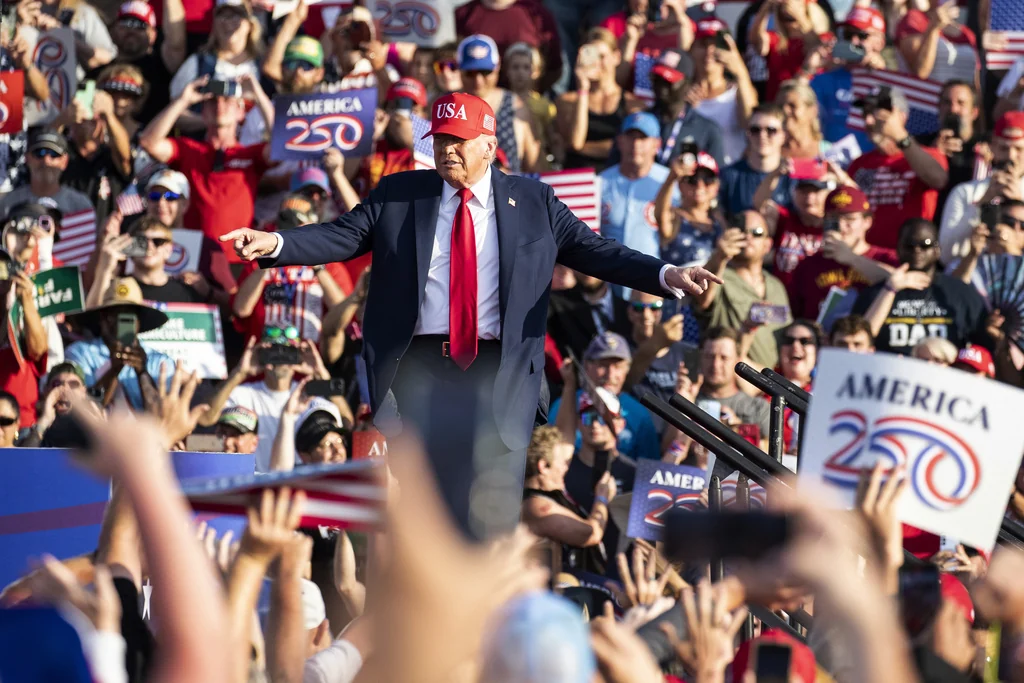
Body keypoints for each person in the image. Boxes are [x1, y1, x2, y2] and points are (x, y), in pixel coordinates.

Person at [219, 91, 720, 538]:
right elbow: (342, 235)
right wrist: (276, 243)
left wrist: (665, 274)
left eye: (458, 139)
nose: (446, 150)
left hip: (498, 371)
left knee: (493, 512)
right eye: (439, 139)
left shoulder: (533, 200)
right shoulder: (401, 194)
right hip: (418, 370)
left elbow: (597, 251)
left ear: (488, 144)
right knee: (425, 512)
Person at [140, 75, 274, 262]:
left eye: (227, 100)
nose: (219, 105)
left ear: (241, 112)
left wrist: (258, 95)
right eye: (212, 101)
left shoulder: (250, 154)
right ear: (202, 113)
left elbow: (281, 147)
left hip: (240, 256)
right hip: (192, 256)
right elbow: (148, 142)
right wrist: (183, 100)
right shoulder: (188, 149)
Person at [198, 332, 343, 471]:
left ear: (299, 356)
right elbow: (205, 418)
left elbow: (348, 425)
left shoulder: (311, 398)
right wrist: (239, 373)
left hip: (297, 485)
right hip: (252, 483)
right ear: (261, 354)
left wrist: (321, 374)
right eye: (273, 351)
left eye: (288, 351)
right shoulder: (241, 394)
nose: (280, 357)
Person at [854, 219, 988, 355]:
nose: (917, 250)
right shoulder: (875, 294)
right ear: (898, 249)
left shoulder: (960, 292)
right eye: (909, 245)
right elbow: (857, 343)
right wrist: (890, 289)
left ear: (937, 250)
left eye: (925, 245)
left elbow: (982, 344)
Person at [847, 86, 949, 249]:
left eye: (877, 114)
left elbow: (938, 179)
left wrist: (901, 136)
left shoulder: (929, 155)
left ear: (900, 117)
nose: (868, 121)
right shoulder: (858, 164)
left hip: (910, 257)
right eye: (865, 113)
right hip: (866, 260)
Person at [693, 210, 790, 370]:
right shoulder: (718, 275)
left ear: (768, 244)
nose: (747, 237)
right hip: (730, 381)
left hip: (773, 385)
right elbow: (703, 299)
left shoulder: (776, 285)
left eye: (756, 232)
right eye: (741, 232)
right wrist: (720, 256)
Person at [786, 186, 896, 319]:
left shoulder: (886, 258)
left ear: (867, 222)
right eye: (833, 219)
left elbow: (902, 283)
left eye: (849, 219)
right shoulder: (808, 266)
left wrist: (851, 258)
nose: (841, 226)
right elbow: (795, 315)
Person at [64, 277, 173, 410]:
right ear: (101, 318)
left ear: (139, 321)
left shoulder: (160, 362)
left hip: (144, 431)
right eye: (113, 315)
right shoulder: (79, 353)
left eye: (128, 317)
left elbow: (162, 416)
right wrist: (113, 369)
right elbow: (84, 410)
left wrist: (142, 372)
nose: (118, 323)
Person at [550, 331, 660, 461]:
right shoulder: (564, 405)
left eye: (618, 366)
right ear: (586, 366)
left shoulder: (639, 413)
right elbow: (551, 456)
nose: (610, 375)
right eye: (603, 365)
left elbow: (648, 469)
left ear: (627, 369)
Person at [520, 425, 613, 574]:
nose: (566, 468)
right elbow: (591, 534)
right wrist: (602, 497)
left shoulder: (551, 494)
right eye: (563, 462)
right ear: (543, 466)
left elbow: (567, 425)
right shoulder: (537, 506)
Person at [142, 168, 236, 307]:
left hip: (190, 325)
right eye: (155, 196)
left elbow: (233, 304)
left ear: (185, 204)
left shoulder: (207, 247)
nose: (161, 203)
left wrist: (207, 290)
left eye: (170, 197)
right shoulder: (135, 242)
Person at [939, 111, 1024, 265]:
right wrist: (980, 205)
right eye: (1004, 148)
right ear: (993, 147)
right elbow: (946, 255)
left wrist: (1018, 205)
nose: (1011, 156)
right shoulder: (965, 192)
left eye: (1019, 149)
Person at [557, 28, 642, 171]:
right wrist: (583, 88)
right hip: (577, 178)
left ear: (616, 57)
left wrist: (583, 148)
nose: (596, 63)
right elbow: (575, 141)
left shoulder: (632, 104)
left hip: (614, 178)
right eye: (592, 57)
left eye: (602, 56)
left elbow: (629, 148)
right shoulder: (567, 101)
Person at [168, 0, 262, 122]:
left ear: (250, 24)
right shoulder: (199, 63)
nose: (228, 22)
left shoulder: (264, 65)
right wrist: (214, 121)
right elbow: (174, 113)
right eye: (222, 16)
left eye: (236, 15)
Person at [809, 7, 888, 152]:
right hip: (832, 163)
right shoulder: (823, 80)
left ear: (880, 43)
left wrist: (882, 74)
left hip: (872, 167)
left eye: (862, 35)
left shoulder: (892, 83)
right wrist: (808, 69)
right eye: (848, 34)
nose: (853, 41)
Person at [457, 34, 539, 173]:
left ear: (497, 67)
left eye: (485, 72)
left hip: (508, 191)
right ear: (459, 70)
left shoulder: (516, 106)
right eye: (470, 73)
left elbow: (535, 165)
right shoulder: (446, 105)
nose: (478, 81)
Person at [55, 83, 132, 229]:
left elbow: (125, 157)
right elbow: (41, 149)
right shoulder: (61, 153)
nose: (88, 121)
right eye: (83, 118)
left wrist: (109, 115)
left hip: (104, 234)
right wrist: (62, 120)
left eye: (95, 118)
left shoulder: (111, 155)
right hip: (68, 235)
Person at [598, 112, 673, 258]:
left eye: (643, 138)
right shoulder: (601, 181)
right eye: (630, 137)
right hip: (610, 275)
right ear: (620, 141)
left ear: (657, 144)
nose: (636, 144)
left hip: (658, 276)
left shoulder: (670, 182)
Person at [685, 18, 758, 165]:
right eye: (703, 45)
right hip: (694, 179)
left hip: (730, 174)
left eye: (717, 45)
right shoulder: (682, 92)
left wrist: (740, 71)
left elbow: (750, 123)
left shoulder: (738, 91)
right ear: (692, 50)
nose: (709, 51)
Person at [90, 217, 208, 305]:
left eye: (158, 242)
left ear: (169, 250)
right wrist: (104, 269)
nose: (149, 246)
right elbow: (93, 323)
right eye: (142, 242)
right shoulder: (115, 288)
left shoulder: (186, 293)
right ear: (129, 247)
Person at [455, 0, 563, 94]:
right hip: (473, 104)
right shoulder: (463, 14)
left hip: (526, 107)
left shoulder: (536, 13)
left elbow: (554, 66)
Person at [107, 0, 186, 125]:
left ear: (153, 34)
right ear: (112, 31)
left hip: (148, 139)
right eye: (125, 23)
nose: (131, 30)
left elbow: (176, 43)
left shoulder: (162, 66)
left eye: (140, 25)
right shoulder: (98, 72)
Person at [643, 49, 725, 168]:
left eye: (669, 81)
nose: (662, 87)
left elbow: (717, 181)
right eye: (657, 79)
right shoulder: (638, 124)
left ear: (688, 83)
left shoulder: (706, 130)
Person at [915, 81, 983, 224]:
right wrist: (933, 153)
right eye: (947, 102)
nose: (953, 109)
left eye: (961, 103)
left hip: (970, 222)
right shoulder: (920, 144)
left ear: (974, 112)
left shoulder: (986, 145)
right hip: (930, 222)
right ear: (938, 107)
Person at [0, 132, 94, 225]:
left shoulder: (80, 205)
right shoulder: (8, 204)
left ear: (64, 161)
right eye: (39, 153)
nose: (46, 161)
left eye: (54, 154)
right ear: (27, 158)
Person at [718, 102, 795, 216]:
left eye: (771, 130)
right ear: (747, 134)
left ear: (784, 135)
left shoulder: (794, 177)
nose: (762, 135)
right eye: (755, 130)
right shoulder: (728, 176)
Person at [768, 161, 834, 289]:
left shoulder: (835, 226)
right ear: (794, 193)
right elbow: (761, 205)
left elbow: (859, 212)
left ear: (827, 194)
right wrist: (774, 175)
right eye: (804, 192)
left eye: (815, 192)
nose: (809, 198)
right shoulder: (785, 219)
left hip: (816, 298)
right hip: (784, 299)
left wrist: (842, 178)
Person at [0, 251, 48, 427]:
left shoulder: (22, 316)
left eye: (4, 269)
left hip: (21, 428)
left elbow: (37, 350)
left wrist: (26, 299)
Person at [693, 326, 770, 434]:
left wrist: (739, 431)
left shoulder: (759, 408)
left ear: (737, 361)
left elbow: (773, 449)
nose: (716, 364)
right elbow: (666, 447)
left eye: (724, 358)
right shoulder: (687, 400)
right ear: (701, 358)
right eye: (710, 356)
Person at [747, 0, 826, 102]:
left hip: (806, 102)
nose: (787, 10)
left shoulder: (822, 38)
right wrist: (765, 8)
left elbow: (819, 47)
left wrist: (799, 16)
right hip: (776, 103)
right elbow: (755, 41)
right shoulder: (776, 40)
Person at [657, 151, 723, 268]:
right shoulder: (674, 217)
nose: (700, 185)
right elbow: (660, 214)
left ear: (716, 186)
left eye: (707, 180)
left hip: (714, 285)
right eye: (692, 179)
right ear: (680, 185)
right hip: (679, 284)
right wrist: (672, 177)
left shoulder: (718, 219)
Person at [547, 272, 633, 361]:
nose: (587, 268)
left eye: (595, 259)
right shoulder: (554, 304)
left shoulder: (633, 310)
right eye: (580, 261)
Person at [894, 0, 977, 83]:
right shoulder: (914, 19)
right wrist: (934, 28)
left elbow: (975, 79)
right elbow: (920, 72)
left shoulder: (968, 34)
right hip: (927, 93)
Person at [777, 80, 830, 160]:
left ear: (813, 111)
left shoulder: (830, 152)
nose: (785, 110)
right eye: (780, 106)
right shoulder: (768, 150)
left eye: (792, 105)